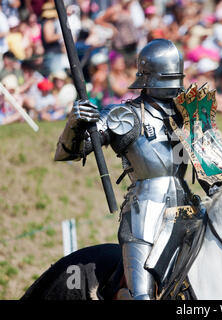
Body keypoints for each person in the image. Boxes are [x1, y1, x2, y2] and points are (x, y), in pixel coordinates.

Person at [54, 39, 199, 300]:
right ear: (149, 76)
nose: (173, 85)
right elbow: (68, 152)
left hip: (187, 209)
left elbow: (211, 160)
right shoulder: (123, 115)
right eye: (168, 77)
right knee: (141, 296)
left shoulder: (187, 113)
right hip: (144, 213)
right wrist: (75, 122)